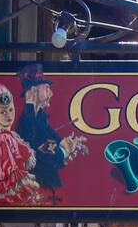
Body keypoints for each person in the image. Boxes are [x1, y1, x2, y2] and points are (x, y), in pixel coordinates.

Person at [16, 64, 87, 194]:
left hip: (49, 189)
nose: (51, 93)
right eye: (47, 88)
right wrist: (63, 150)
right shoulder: (27, 121)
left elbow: (46, 146)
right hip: (40, 191)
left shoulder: (40, 118)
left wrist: (68, 146)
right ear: (33, 91)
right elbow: (35, 156)